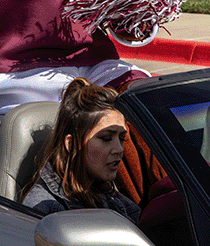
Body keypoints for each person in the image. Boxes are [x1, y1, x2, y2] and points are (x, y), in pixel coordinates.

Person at [21, 78, 141, 223]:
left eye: (122, 138)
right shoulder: (45, 210)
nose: (118, 149)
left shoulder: (115, 199)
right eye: (106, 138)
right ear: (71, 144)